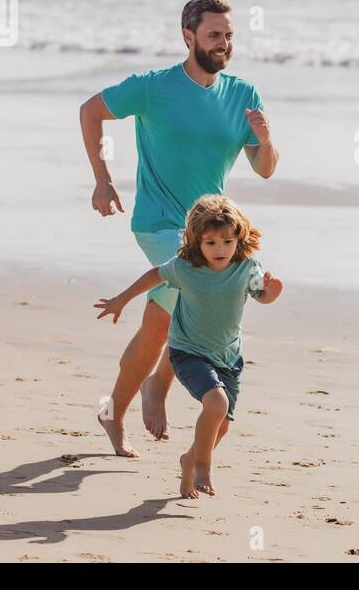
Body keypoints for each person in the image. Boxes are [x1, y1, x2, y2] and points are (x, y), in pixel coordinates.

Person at [78, 0, 278, 456]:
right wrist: (102, 180)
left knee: (156, 325)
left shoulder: (243, 95)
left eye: (228, 35)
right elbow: (91, 111)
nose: (223, 44)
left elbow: (265, 167)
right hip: (161, 223)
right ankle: (158, 387)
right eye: (213, 35)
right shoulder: (153, 87)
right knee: (192, 289)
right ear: (188, 37)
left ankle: (122, 405)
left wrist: (266, 140)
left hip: (213, 231)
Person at [94, 196, 283, 498]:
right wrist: (121, 300)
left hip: (228, 357)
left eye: (227, 241)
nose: (219, 250)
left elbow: (262, 295)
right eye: (210, 243)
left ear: (239, 238)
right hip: (188, 352)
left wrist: (272, 292)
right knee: (216, 404)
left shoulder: (247, 267)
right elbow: (155, 274)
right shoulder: (187, 267)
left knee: (220, 426)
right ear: (197, 242)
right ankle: (204, 467)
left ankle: (190, 460)